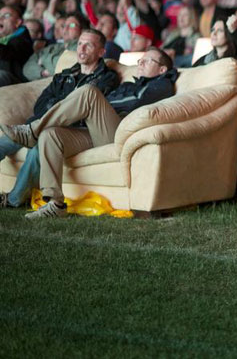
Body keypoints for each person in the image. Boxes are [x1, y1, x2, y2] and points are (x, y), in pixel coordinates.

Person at [10, 47, 178, 219]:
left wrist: (99, 105)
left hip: (118, 132)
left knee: (89, 92)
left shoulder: (161, 85)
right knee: (50, 135)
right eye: (140, 59)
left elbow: (133, 103)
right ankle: (56, 203)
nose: (140, 63)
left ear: (162, 69)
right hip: (96, 129)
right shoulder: (130, 84)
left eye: (147, 60)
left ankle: (32, 131)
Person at [0, 29, 119, 208]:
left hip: (72, 131)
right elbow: (41, 104)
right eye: (79, 44)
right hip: (43, 124)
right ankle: (33, 132)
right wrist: (60, 112)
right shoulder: (64, 75)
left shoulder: (107, 78)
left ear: (101, 52)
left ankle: (14, 200)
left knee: (40, 144)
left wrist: (63, 112)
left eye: (89, 45)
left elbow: (92, 110)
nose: (82, 49)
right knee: (5, 141)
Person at [23, 12, 86, 81]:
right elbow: (26, 68)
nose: (66, 28)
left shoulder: (81, 48)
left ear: (82, 31)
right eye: (64, 25)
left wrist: (43, 59)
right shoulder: (52, 47)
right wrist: (43, 72)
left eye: (72, 25)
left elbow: (64, 66)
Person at [0, 5, 33, 87]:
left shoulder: (23, 39)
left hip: (15, 80)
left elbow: (8, 53)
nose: (1, 19)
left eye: (6, 15)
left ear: (18, 22)